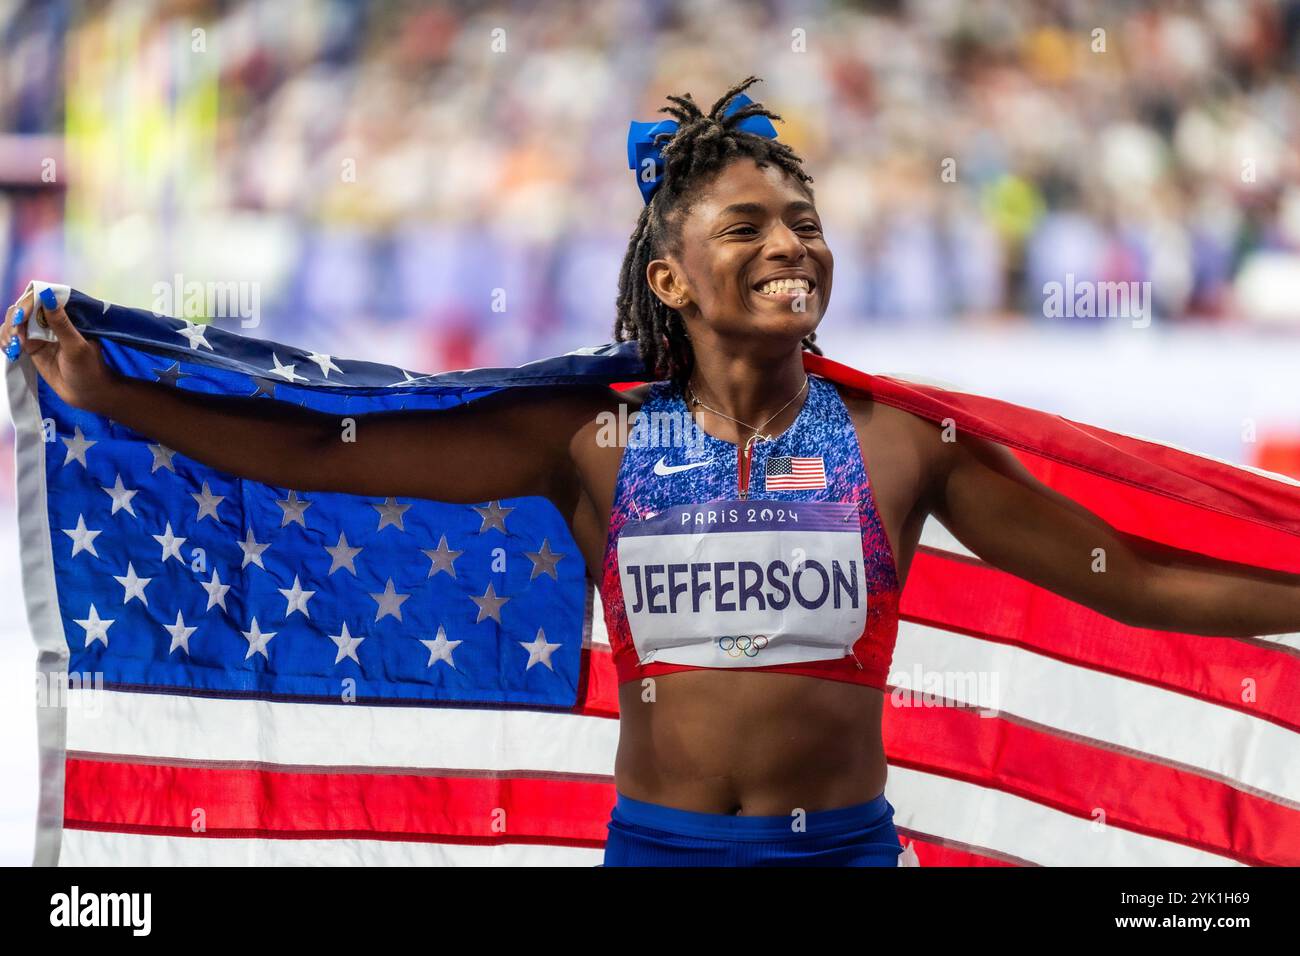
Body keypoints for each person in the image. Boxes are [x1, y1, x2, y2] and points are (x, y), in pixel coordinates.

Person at [5, 77, 1300, 867]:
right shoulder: (594, 442)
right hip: (659, 861)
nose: (793, 242)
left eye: (805, 222)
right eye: (748, 225)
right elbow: (316, 451)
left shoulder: (903, 446)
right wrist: (118, 395)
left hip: (840, 859)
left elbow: (1121, 577)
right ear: (671, 280)